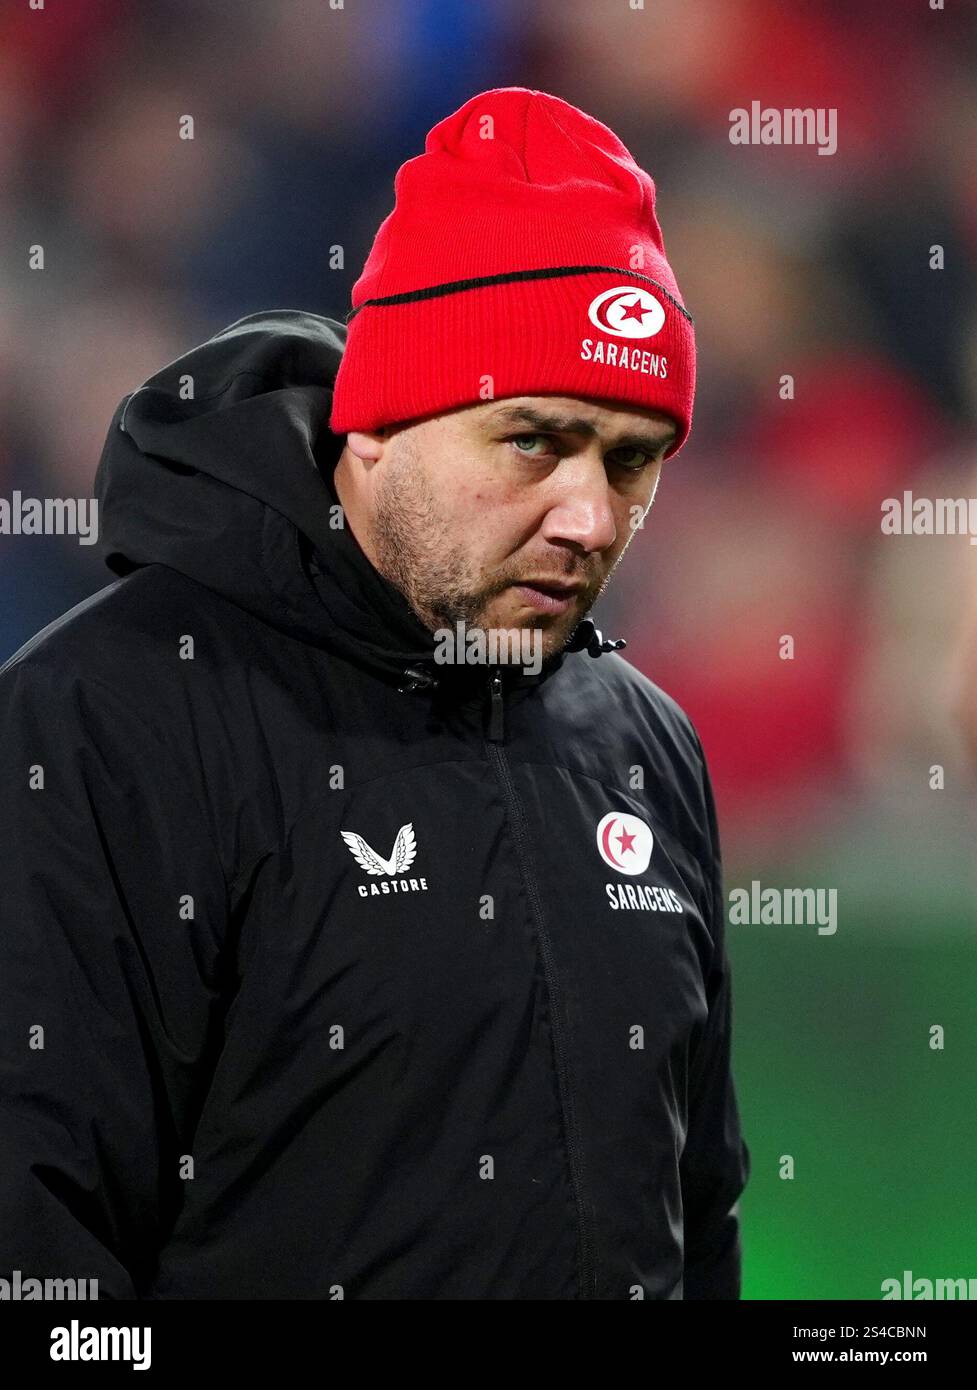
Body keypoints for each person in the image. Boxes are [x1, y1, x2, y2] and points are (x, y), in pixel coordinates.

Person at [0, 86, 749, 1299]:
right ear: (378, 423)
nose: (589, 517)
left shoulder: (643, 747)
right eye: (533, 440)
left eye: (631, 458)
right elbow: (36, 1239)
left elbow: (699, 1210)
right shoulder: (101, 721)